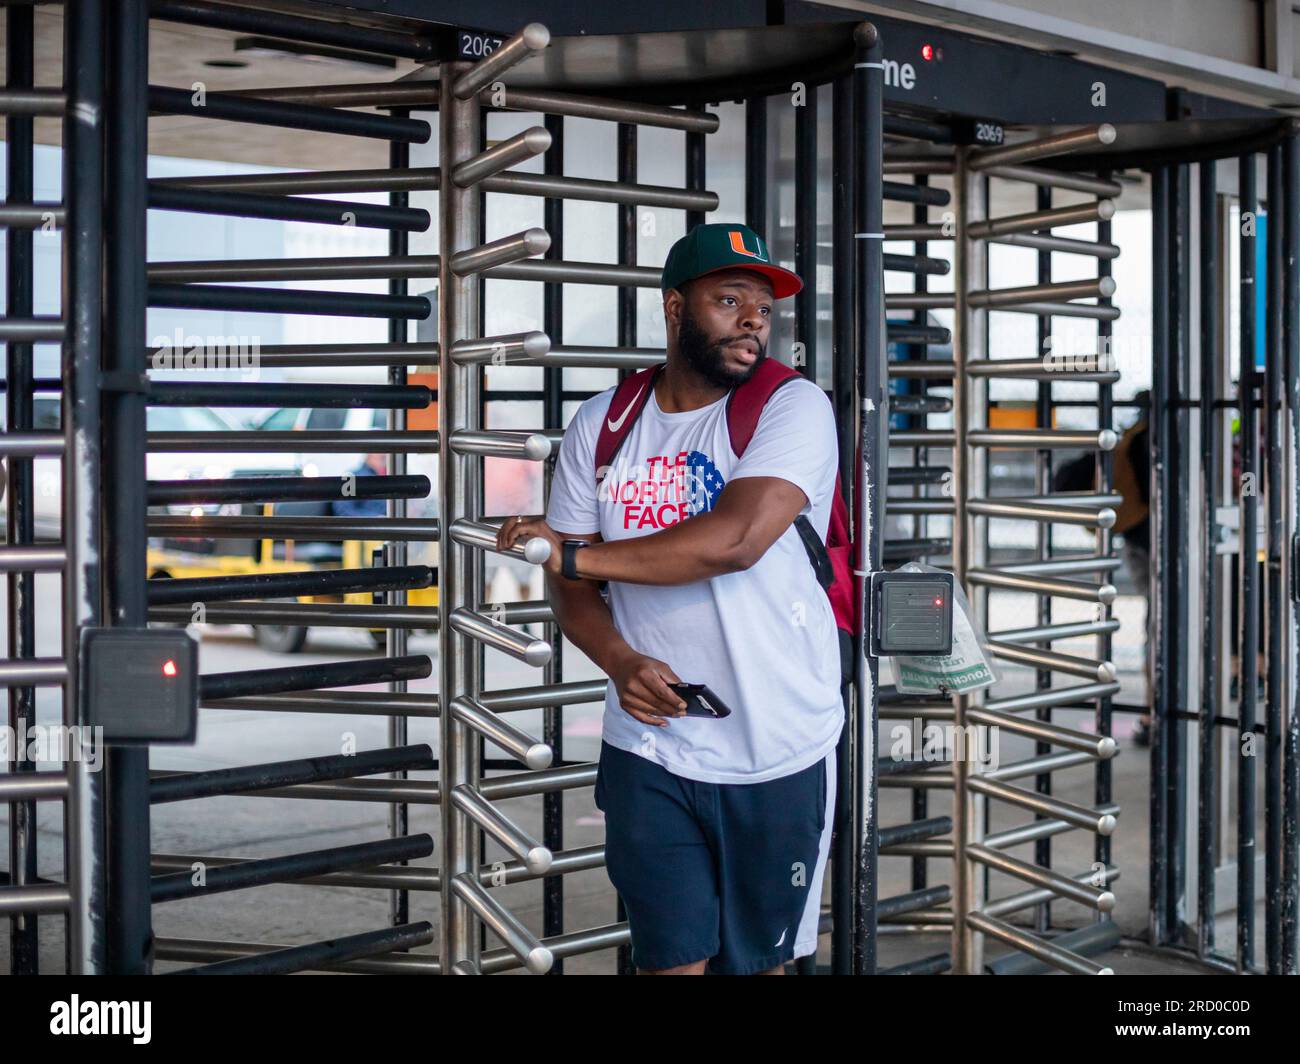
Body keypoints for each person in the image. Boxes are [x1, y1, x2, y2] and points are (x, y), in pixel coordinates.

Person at [498, 223, 842, 975]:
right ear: (675, 309)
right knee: (670, 962)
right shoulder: (605, 424)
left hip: (776, 744)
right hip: (652, 746)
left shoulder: (792, 407)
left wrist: (572, 550)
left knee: (758, 968)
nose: (754, 320)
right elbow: (572, 587)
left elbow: (735, 539)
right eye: (729, 300)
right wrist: (618, 659)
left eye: (763, 307)